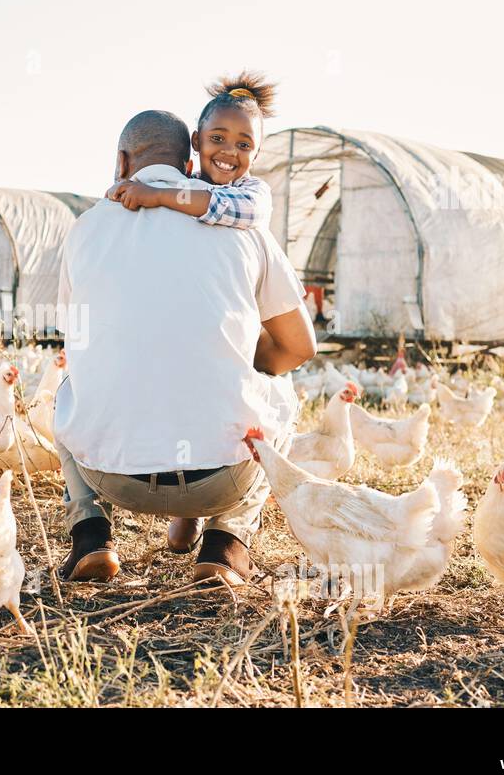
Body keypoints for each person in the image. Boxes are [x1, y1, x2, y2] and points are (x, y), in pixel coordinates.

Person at [54, 108, 316, 585]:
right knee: (280, 387)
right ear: (190, 157)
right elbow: (300, 347)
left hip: (112, 478)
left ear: (121, 162)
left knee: (67, 385)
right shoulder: (243, 229)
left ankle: (90, 534)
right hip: (222, 479)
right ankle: (225, 543)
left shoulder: (84, 230)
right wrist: (240, 357)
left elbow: (78, 343)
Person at [104, 72, 276, 233]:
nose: (230, 151)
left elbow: (238, 208)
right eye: (217, 138)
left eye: (244, 145)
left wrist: (157, 196)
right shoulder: (185, 182)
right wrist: (123, 190)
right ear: (196, 141)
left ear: (256, 155)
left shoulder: (254, 191)